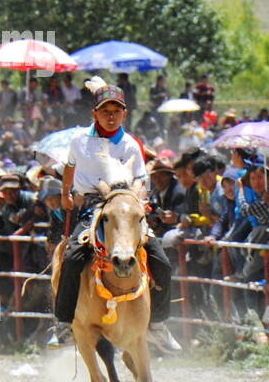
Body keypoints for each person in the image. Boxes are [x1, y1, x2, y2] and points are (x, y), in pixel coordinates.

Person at [54, 84, 178, 352]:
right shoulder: (78, 141)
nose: (111, 116)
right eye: (105, 111)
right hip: (93, 206)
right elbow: (69, 166)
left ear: (125, 114)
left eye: (116, 111)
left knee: (162, 262)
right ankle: (64, 322)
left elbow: (141, 181)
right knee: (73, 257)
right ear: (94, 113)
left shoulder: (132, 145)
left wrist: (137, 201)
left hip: (128, 207)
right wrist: (66, 193)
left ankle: (157, 323)